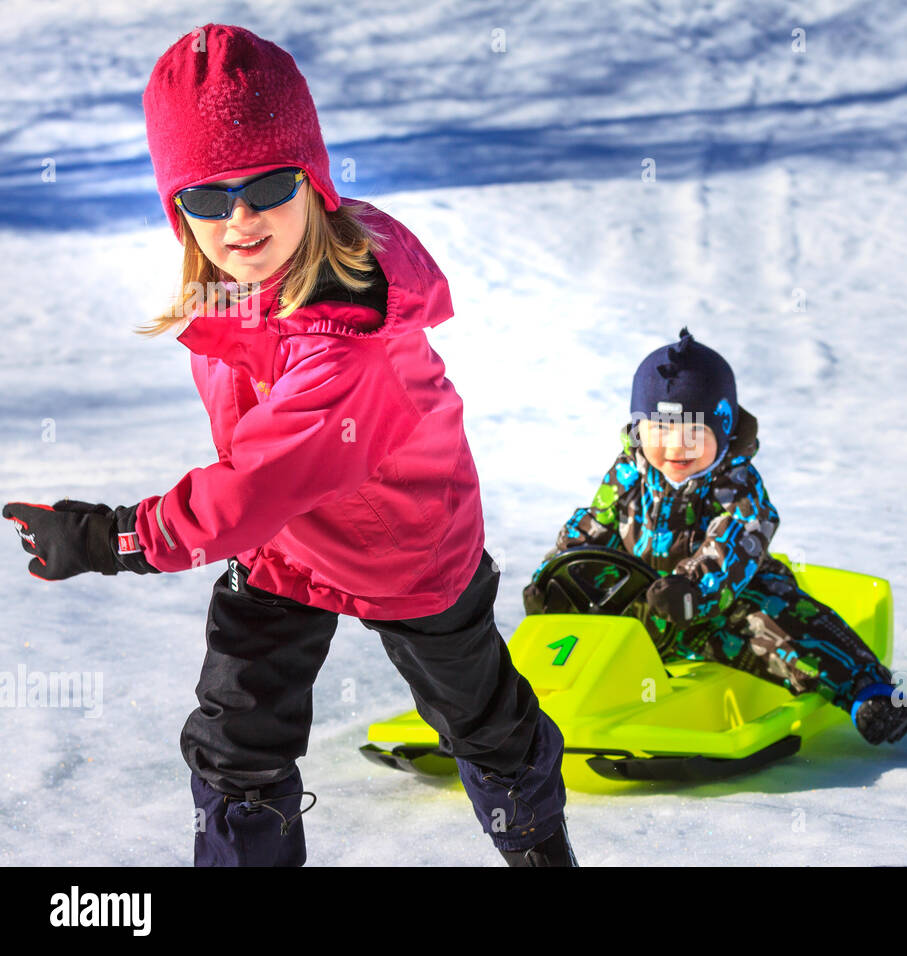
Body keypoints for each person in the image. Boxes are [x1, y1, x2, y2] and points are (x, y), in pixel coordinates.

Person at [2, 24, 575, 867]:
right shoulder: (240, 289)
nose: (238, 218)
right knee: (236, 733)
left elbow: (252, 484)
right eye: (205, 196)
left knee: (479, 716)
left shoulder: (349, 337)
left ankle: (536, 847)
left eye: (268, 183)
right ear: (177, 210)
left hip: (404, 544)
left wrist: (108, 535)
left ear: (313, 182)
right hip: (281, 551)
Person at [524, 327, 907, 746]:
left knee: (780, 615)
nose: (676, 446)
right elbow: (592, 527)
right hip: (643, 609)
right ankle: (530, 703)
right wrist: (558, 576)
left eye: (694, 432)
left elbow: (737, 538)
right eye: (660, 430)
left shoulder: (737, 484)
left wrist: (696, 588)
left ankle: (867, 691)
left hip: (721, 607)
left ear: (724, 430)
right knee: (576, 621)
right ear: (639, 431)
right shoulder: (626, 475)